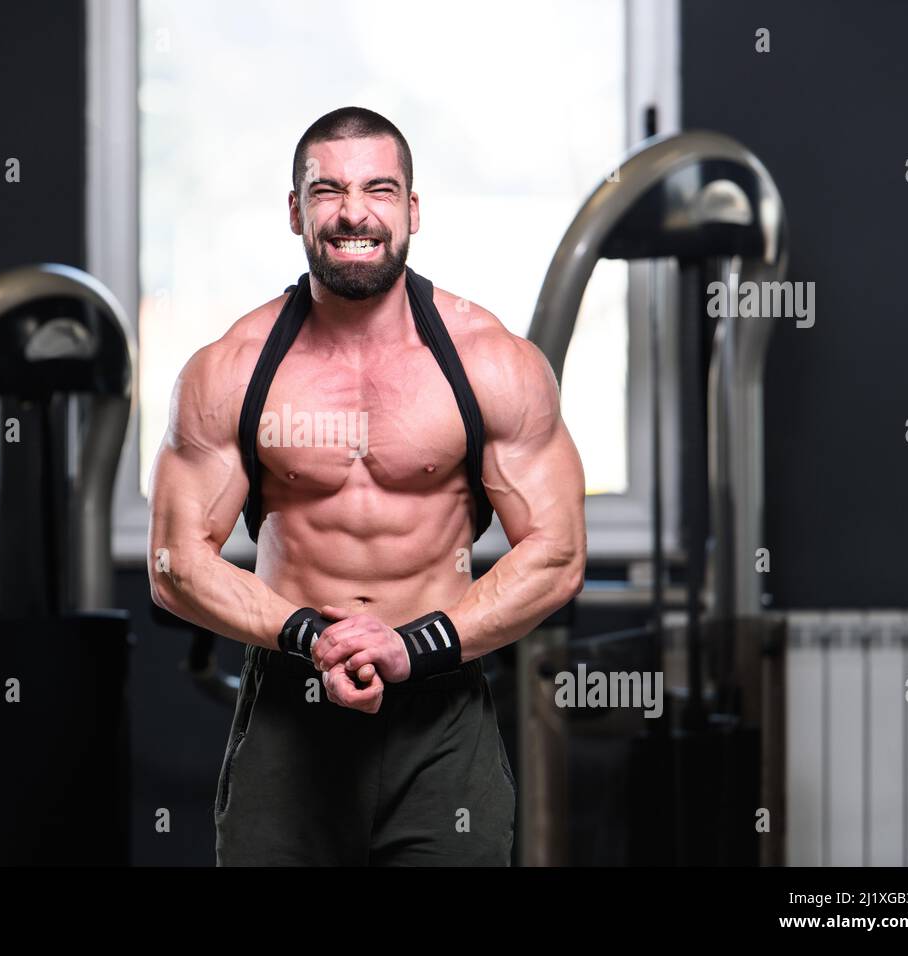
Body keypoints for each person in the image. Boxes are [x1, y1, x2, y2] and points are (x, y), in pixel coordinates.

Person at [148, 106, 585, 865]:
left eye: (379, 189)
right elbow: (174, 564)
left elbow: (557, 554)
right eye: (328, 191)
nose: (355, 213)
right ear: (295, 211)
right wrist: (311, 637)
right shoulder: (230, 369)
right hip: (291, 708)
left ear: (412, 210)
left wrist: (415, 648)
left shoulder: (491, 362)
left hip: (440, 713)